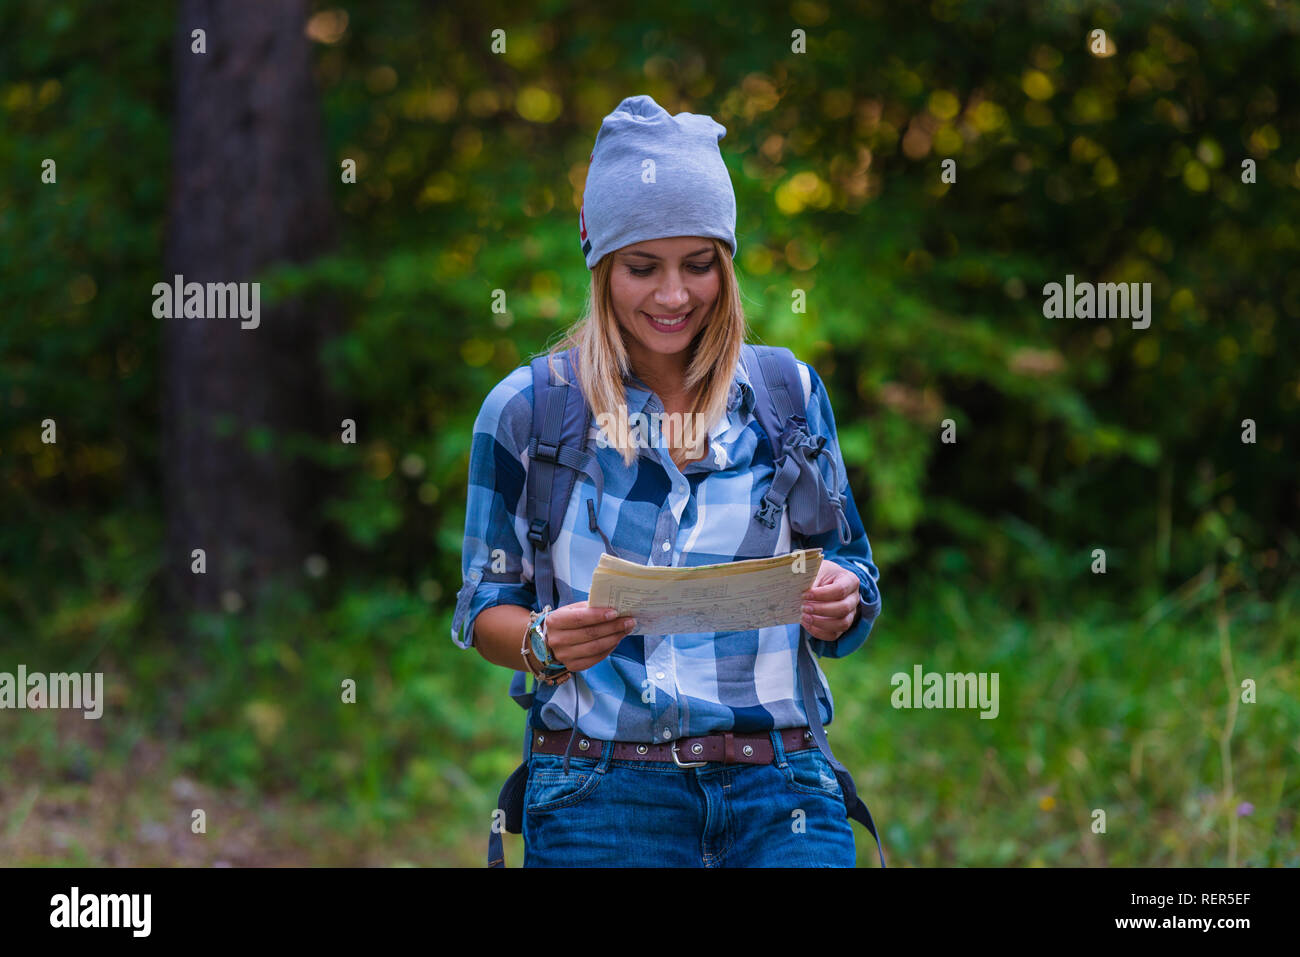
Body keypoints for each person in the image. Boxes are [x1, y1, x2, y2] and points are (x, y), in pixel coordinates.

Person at [452, 94, 882, 867]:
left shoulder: (787, 392)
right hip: (599, 792)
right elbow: (485, 607)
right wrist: (546, 642)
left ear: (726, 263)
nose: (674, 295)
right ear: (599, 264)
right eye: (642, 268)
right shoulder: (528, 410)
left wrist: (840, 599)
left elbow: (850, 565)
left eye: (699, 265)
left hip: (781, 786)